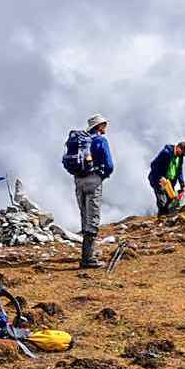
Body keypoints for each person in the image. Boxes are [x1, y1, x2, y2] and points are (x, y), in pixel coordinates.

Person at [66, 113, 114, 268]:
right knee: (92, 218)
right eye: (104, 125)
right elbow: (109, 164)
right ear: (99, 126)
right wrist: (102, 176)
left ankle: (86, 256)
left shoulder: (81, 141)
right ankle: (88, 259)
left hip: (78, 180)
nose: (106, 127)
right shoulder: (100, 140)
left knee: (84, 215)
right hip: (93, 180)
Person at [148, 140, 185, 216]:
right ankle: (162, 219)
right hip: (158, 180)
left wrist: (182, 185)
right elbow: (153, 165)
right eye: (183, 152)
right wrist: (160, 177)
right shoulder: (166, 153)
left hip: (170, 182)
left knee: (171, 199)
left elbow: (179, 170)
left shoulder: (180, 157)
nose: (183, 155)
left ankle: (165, 217)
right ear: (178, 148)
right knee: (162, 201)